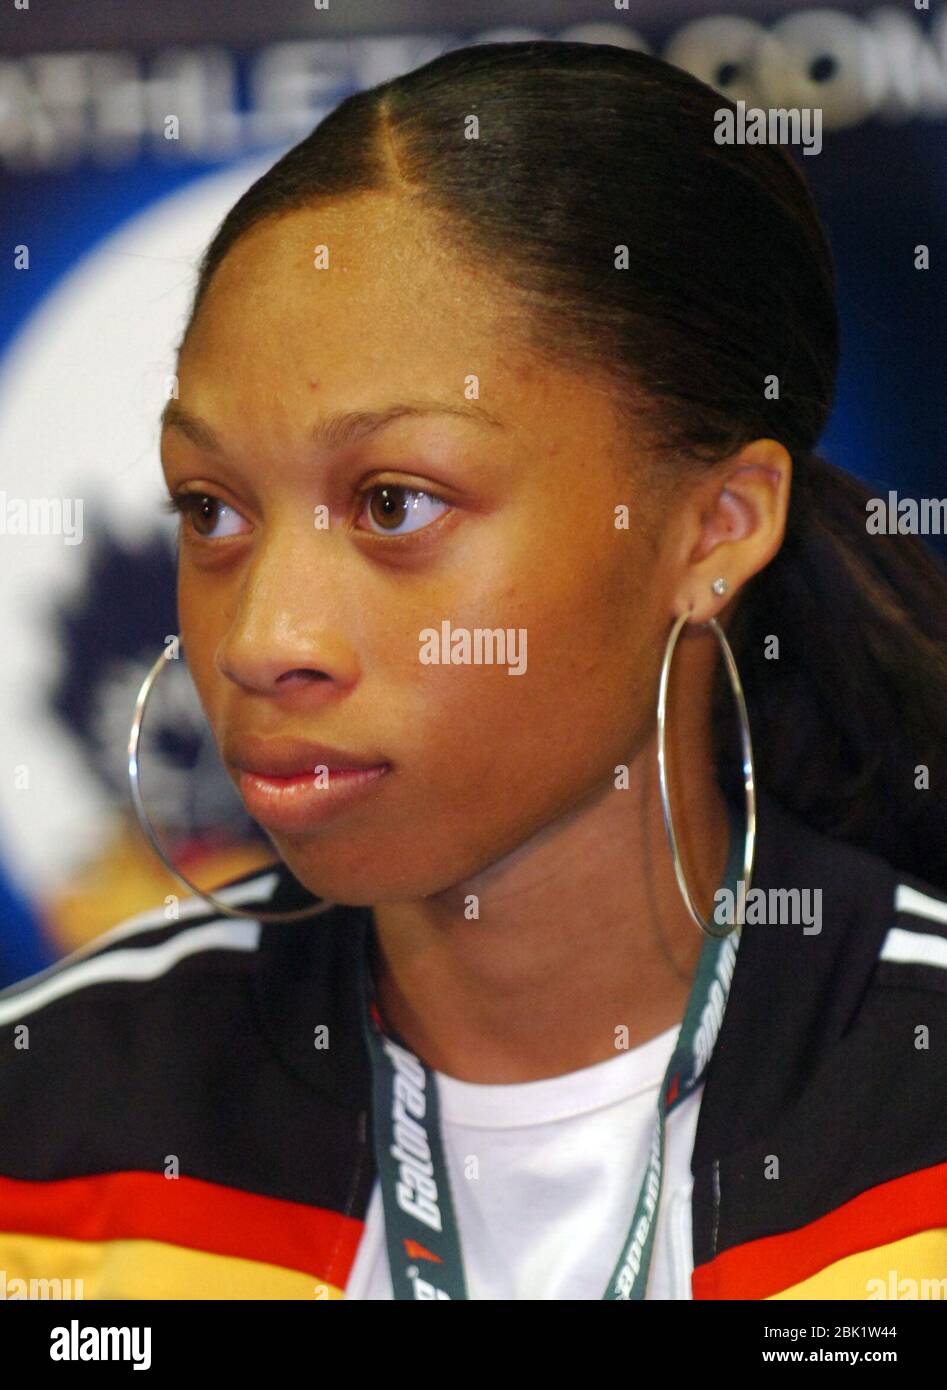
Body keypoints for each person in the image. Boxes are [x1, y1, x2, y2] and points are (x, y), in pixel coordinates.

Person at [1, 39, 945, 1302]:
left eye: (395, 502)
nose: (260, 640)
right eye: (211, 508)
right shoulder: (51, 1126)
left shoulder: (912, 1106)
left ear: (713, 529)